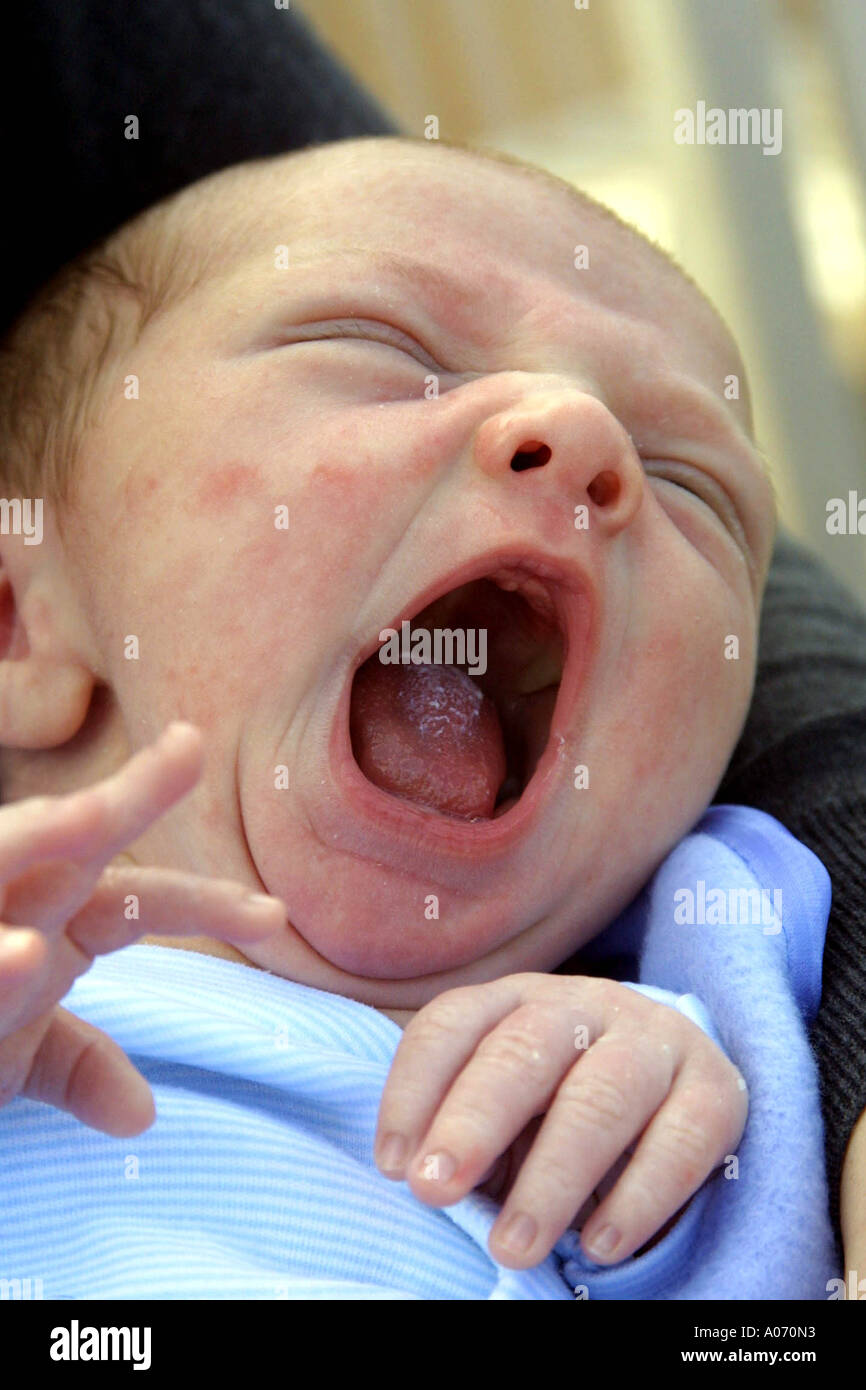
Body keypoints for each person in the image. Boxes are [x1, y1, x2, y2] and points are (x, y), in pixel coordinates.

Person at [3, 0, 865, 1282]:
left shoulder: (696, 1000)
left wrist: (704, 1183)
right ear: (17, 622)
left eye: (697, 492)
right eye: (382, 346)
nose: (580, 439)